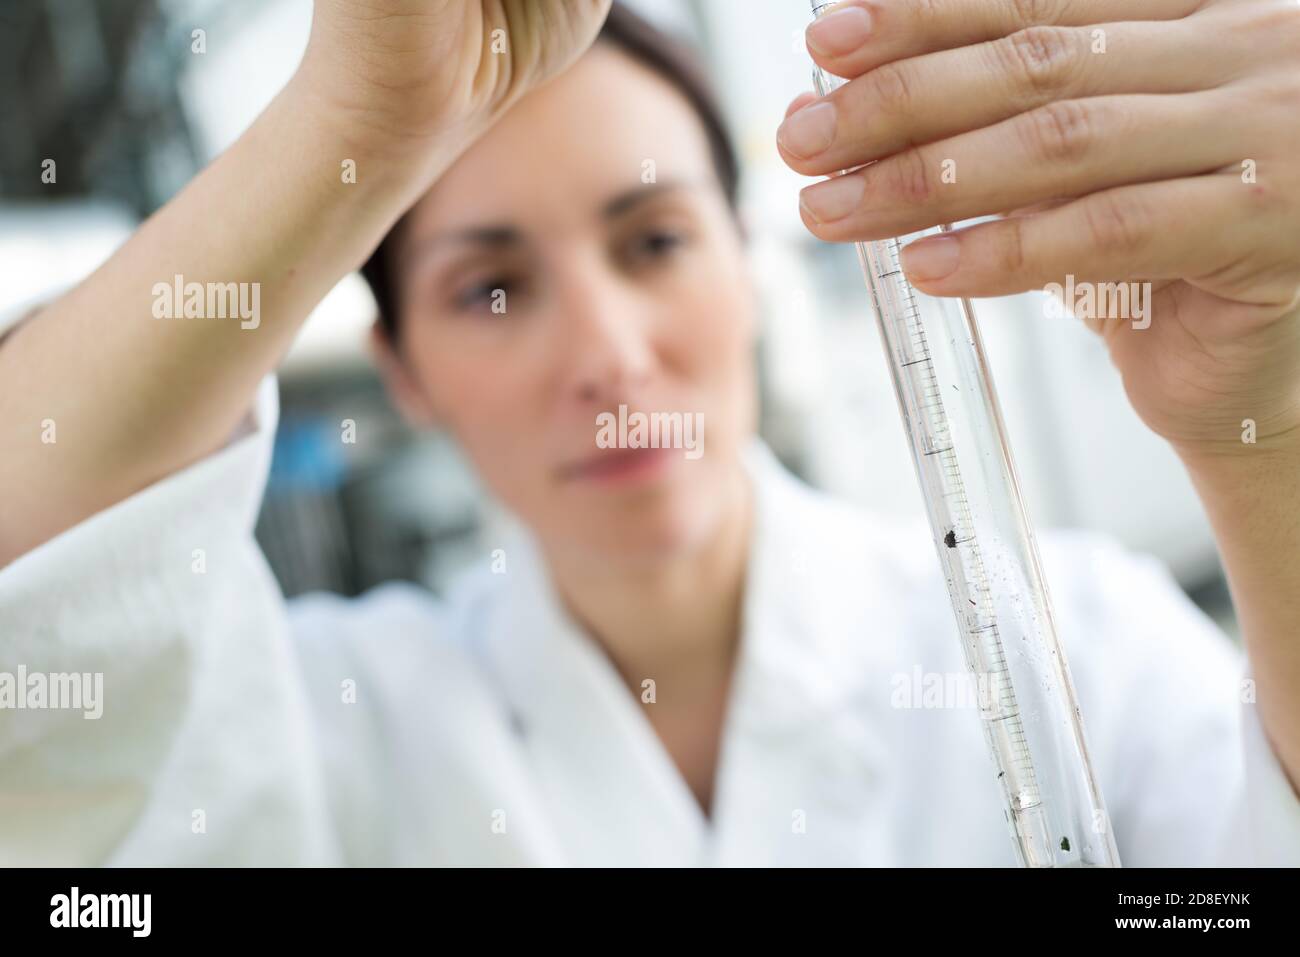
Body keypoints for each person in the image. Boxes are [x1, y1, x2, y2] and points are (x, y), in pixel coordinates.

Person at [0, 0, 1297, 866]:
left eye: (657, 240)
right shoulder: (346, 727)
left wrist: (1263, 439)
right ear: (404, 370)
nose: (610, 354)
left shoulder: (1088, 646)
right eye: (492, 287)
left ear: (750, 271)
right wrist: (353, 125)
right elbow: (34, 635)